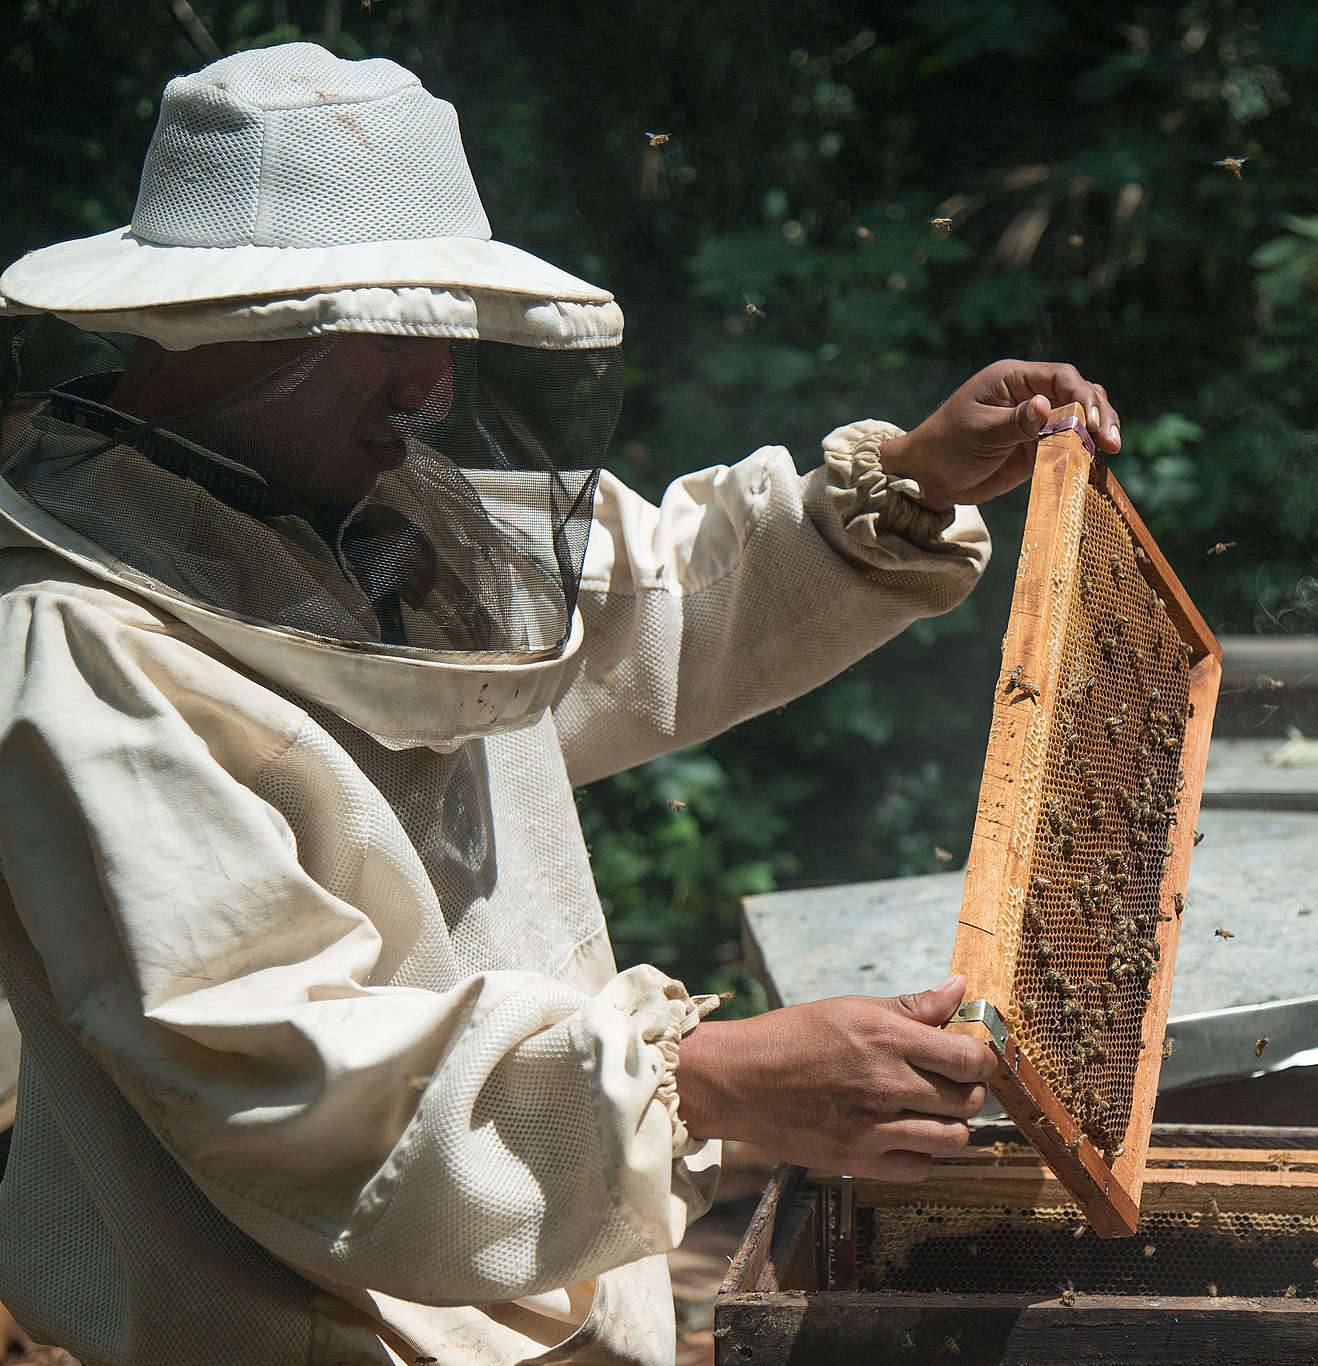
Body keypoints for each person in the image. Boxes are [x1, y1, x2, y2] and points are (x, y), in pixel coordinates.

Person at [0, 42, 1121, 1366]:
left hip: (552, 1292)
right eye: (389, 339)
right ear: (234, 331)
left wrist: (915, 482)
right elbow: (274, 1067)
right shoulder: (77, 647)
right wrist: (700, 1078)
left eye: (443, 336)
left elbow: (655, 611)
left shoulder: (391, 520)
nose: (431, 393)